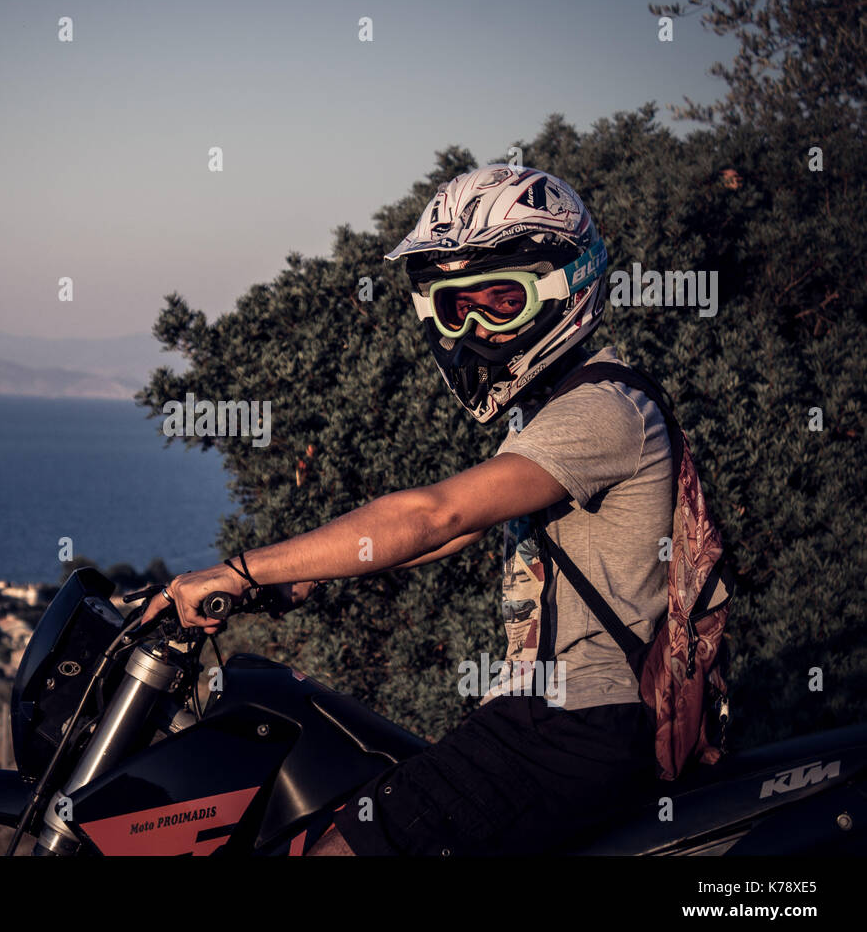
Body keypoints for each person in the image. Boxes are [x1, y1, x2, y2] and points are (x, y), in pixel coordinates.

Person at [141, 166, 668, 855]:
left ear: (570, 284)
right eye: (456, 309)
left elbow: (435, 515)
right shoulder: (557, 410)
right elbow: (460, 531)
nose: (476, 328)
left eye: (499, 302)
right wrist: (303, 575)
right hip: (550, 719)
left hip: (572, 726)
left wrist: (240, 571)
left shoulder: (603, 409)